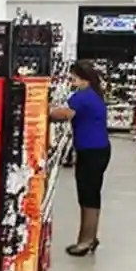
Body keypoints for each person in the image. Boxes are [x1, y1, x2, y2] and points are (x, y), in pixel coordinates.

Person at [49, 60, 111, 256]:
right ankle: (90, 237)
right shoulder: (94, 95)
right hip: (99, 149)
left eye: (74, 78)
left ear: (84, 79)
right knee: (91, 194)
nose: (71, 82)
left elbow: (63, 114)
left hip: (90, 151)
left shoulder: (82, 97)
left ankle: (85, 241)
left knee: (87, 195)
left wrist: (41, 108)